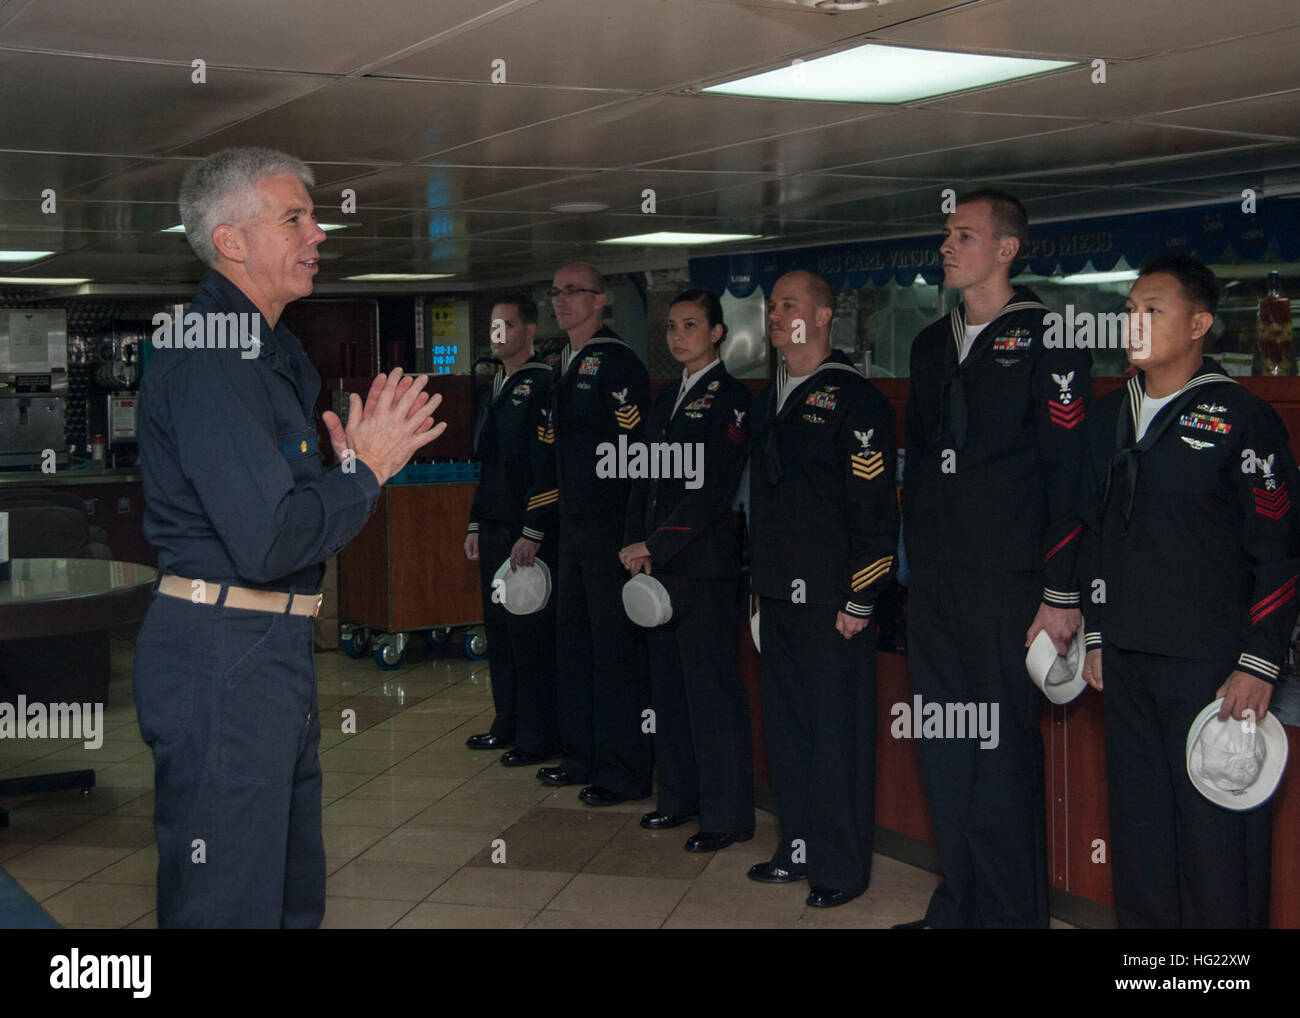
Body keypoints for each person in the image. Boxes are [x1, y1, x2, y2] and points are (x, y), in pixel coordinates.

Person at [134, 147, 445, 928]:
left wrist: (348, 470)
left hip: (266, 650)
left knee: (286, 892)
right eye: (294, 217)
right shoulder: (209, 355)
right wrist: (366, 472)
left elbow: (295, 518)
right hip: (221, 650)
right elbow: (269, 542)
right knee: (231, 900)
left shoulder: (272, 353)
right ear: (232, 241)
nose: (319, 233)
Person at [1077, 253, 1299, 927]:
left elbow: (1279, 548)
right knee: (1141, 836)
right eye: (1128, 312)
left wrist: (1259, 662)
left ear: (1200, 324)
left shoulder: (1241, 419)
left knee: (1216, 844)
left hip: (1212, 668)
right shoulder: (1109, 416)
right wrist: (1094, 632)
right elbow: (1091, 530)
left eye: (1153, 311)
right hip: (1126, 660)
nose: (1134, 324)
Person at [899, 189, 1091, 929]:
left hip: (1011, 583)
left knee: (1002, 755)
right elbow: (918, 466)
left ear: (1007, 249)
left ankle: (1011, 918)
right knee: (946, 743)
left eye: (965, 234)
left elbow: (1068, 472)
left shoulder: (1050, 337)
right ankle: (958, 907)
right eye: (946, 233)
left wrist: (1061, 592)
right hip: (939, 582)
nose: (947, 246)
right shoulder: (929, 343)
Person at [746, 270, 899, 907]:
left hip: (836, 602)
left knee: (835, 737)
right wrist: (758, 589)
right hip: (779, 596)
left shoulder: (852, 398)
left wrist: (860, 597)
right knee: (787, 730)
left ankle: (840, 867)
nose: (776, 316)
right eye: (772, 306)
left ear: (825, 315)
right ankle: (797, 846)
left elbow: (873, 511)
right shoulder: (773, 396)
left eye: (789, 305)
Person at [619, 289, 755, 851]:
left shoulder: (733, 398)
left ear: (718, 333)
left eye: (691, 326)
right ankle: (678, 797)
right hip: (656, 568)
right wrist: (632, 542)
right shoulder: (665, 395)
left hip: (704, 568)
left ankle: (726, 816)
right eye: (672, 327)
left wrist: (655, 543)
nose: (678, 336)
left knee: (711, 694)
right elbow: (643, 475)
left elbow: (712, 490)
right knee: (668, 690)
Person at [524, 263, 653, 805]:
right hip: (571, 528)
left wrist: (635, 532)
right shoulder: (561, 365)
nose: (562, 300)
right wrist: (537, 524)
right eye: (555, 292)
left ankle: (622, 769)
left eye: (574, 291)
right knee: (573, 647)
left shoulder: (616, 361)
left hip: (608, 530)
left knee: (613, 653)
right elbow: (554, 457)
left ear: (601, 300)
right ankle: (581, 755)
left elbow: (637, 450)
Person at [463, 299, 561, 766]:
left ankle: (537, 734)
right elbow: (487, 465)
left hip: (527, 530)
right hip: (496, 527)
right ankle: (506, 722)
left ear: (530, 330)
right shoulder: (496, 386)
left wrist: (532, 528)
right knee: (500, 629)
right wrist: (475, 522)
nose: (499, 333)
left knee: (529, 635)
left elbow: (546, 466)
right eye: (494, 325)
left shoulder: (542, 383)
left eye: (508, 325)